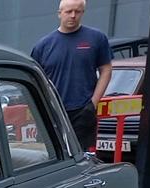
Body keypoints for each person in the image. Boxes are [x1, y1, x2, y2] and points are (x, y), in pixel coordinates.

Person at [31, 0, 113, 153]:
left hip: (83, 110)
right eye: (69, 11)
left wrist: (93, 103)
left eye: (78, 11)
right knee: (51, 156)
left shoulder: (97, 38)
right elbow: (34, 80)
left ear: (83, 13)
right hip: (52, 111)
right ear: (59, 13)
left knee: (80, 158)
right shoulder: (43, 46)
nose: (73, 15)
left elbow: (106, 70)